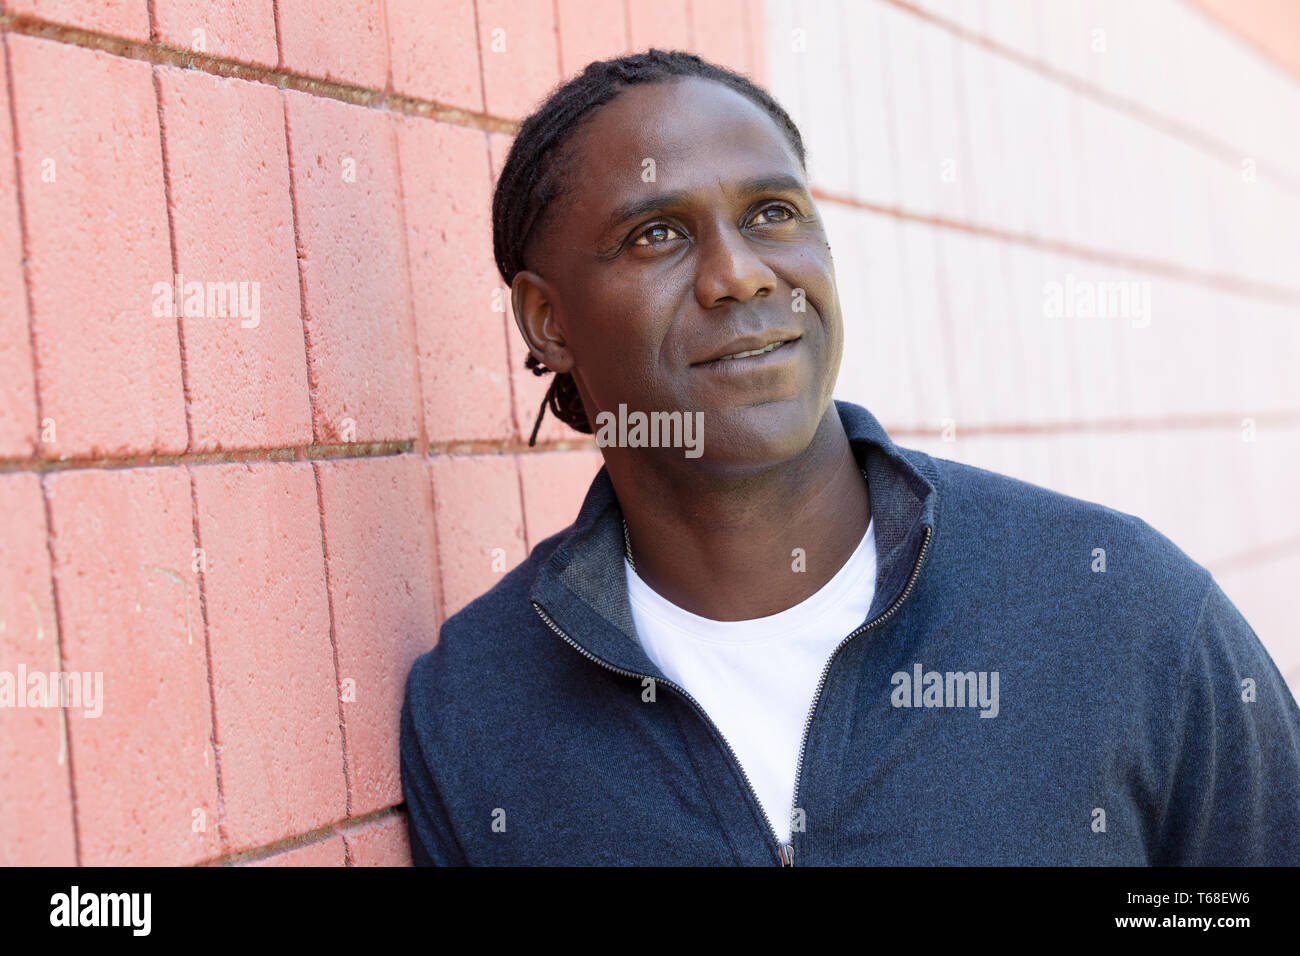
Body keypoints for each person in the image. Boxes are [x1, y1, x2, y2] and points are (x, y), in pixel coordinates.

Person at [400, 49, 1300, 865]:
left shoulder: (1117, 605)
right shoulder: (478, 708)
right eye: (659, 235)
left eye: (773, 213)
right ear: (547, 323)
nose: (742, 274)